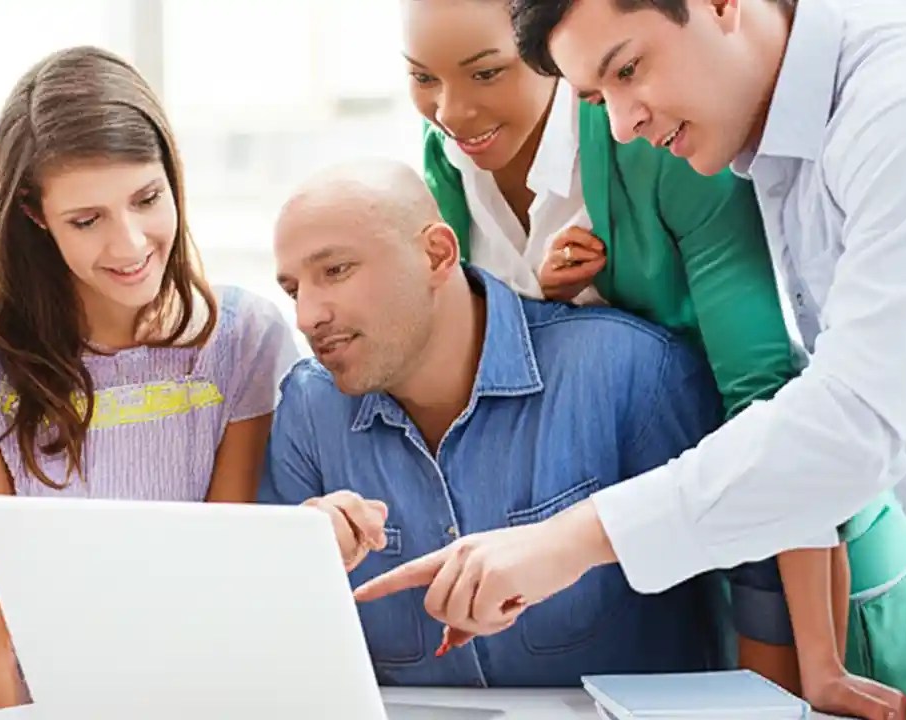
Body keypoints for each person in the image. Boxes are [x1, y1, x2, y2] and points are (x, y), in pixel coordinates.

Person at [357, 1, 906, 718]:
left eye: (628, 69)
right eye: (594, 97)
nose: (621, 125)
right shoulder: (780, 145)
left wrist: (570, 542)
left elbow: (848, 423)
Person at [0, 47, 298, 708]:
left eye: (147, 199)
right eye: (86, 221)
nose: (130, 244)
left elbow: (223, 575)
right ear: (33, 213)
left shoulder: (244, 339)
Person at [261, 159, 734, 687]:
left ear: (436, 254)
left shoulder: (633, 371)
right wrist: (293, 561)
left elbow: (753, 579)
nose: (307, 317)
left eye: (336, 271)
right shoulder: (307, 408)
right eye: (293, 290)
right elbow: (270, 649)